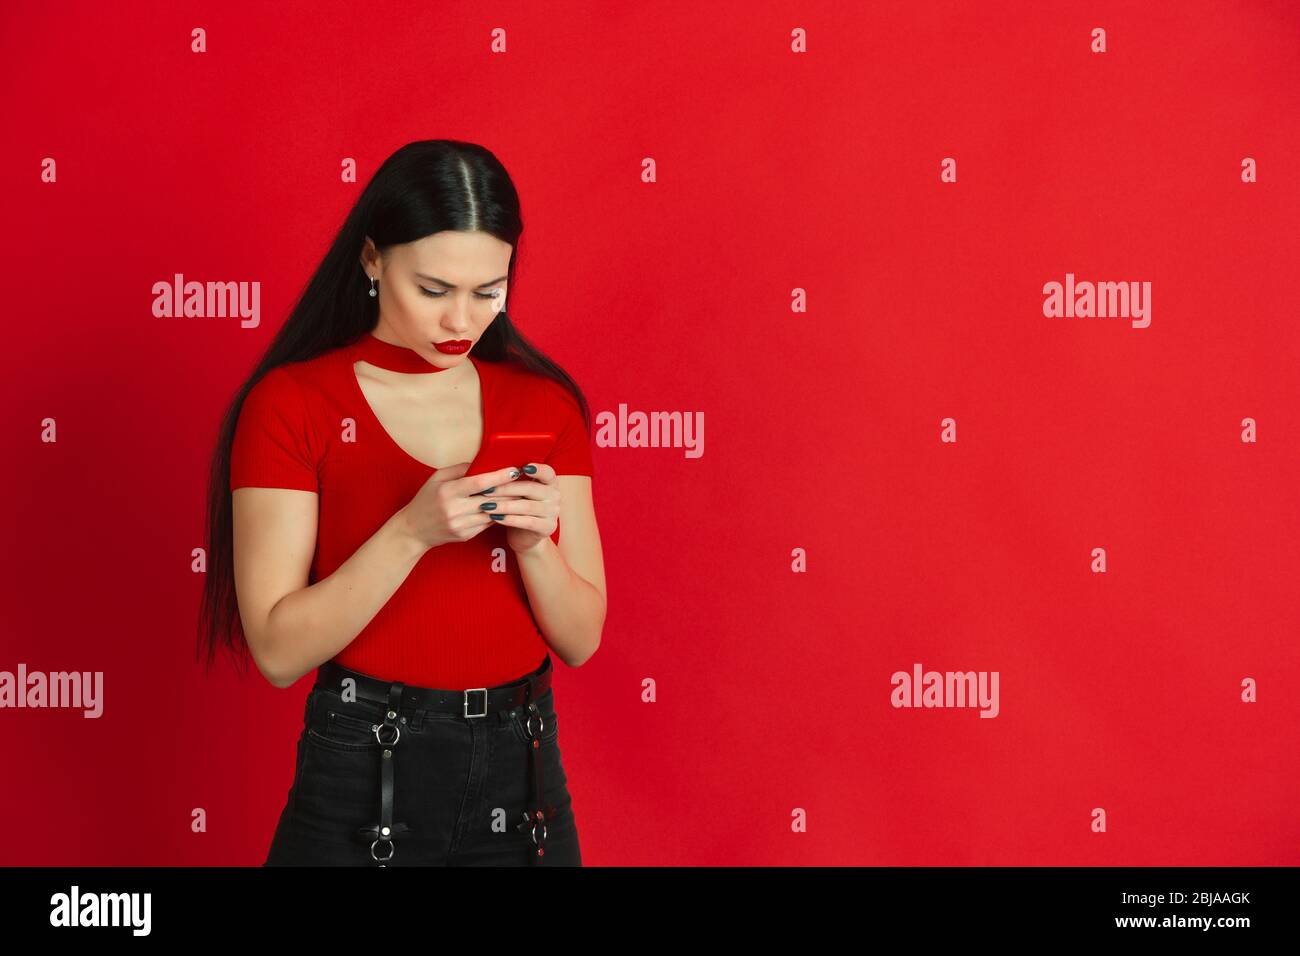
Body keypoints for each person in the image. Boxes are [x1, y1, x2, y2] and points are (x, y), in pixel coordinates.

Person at [196, 139, 607, 866]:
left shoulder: (543, 404)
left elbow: (580, 639)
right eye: (434, 289)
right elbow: (278, 651)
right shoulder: (294, 404)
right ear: (372, 260)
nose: (462, 321)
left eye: (489, 291)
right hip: (364, 768)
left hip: (523, 770)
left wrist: (535, 547)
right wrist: (410, 533)